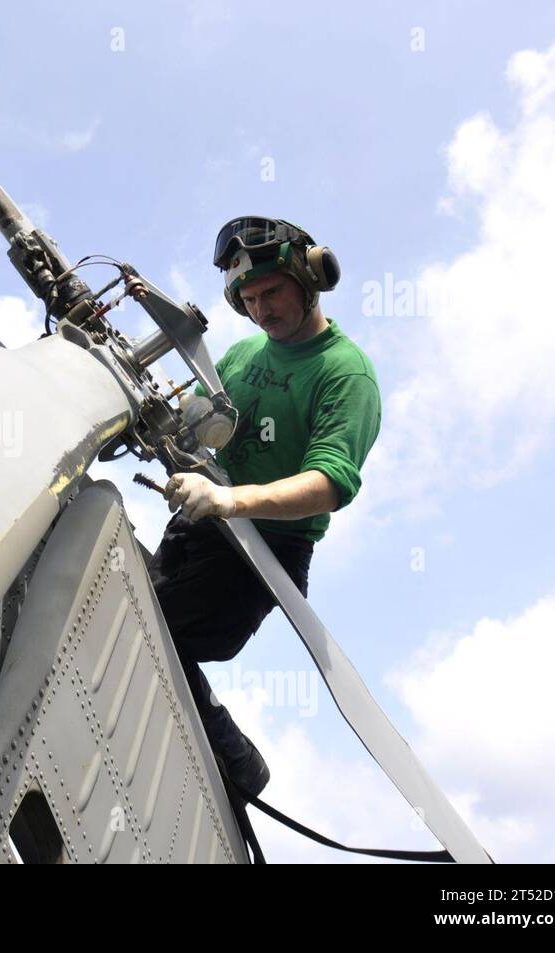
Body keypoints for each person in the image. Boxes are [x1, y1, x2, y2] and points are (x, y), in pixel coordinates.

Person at [148, 216, 381, 796]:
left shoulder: (344, 374)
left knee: (159, 632)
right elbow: (198, 421)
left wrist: (232, 499)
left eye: (272, 292)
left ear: (310, 281)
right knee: (127, 612)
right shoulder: (246, 351)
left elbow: (328, 482)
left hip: (267, 550)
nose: (261, 310)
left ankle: (236, 762)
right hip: (203, 526)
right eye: (248, 299)